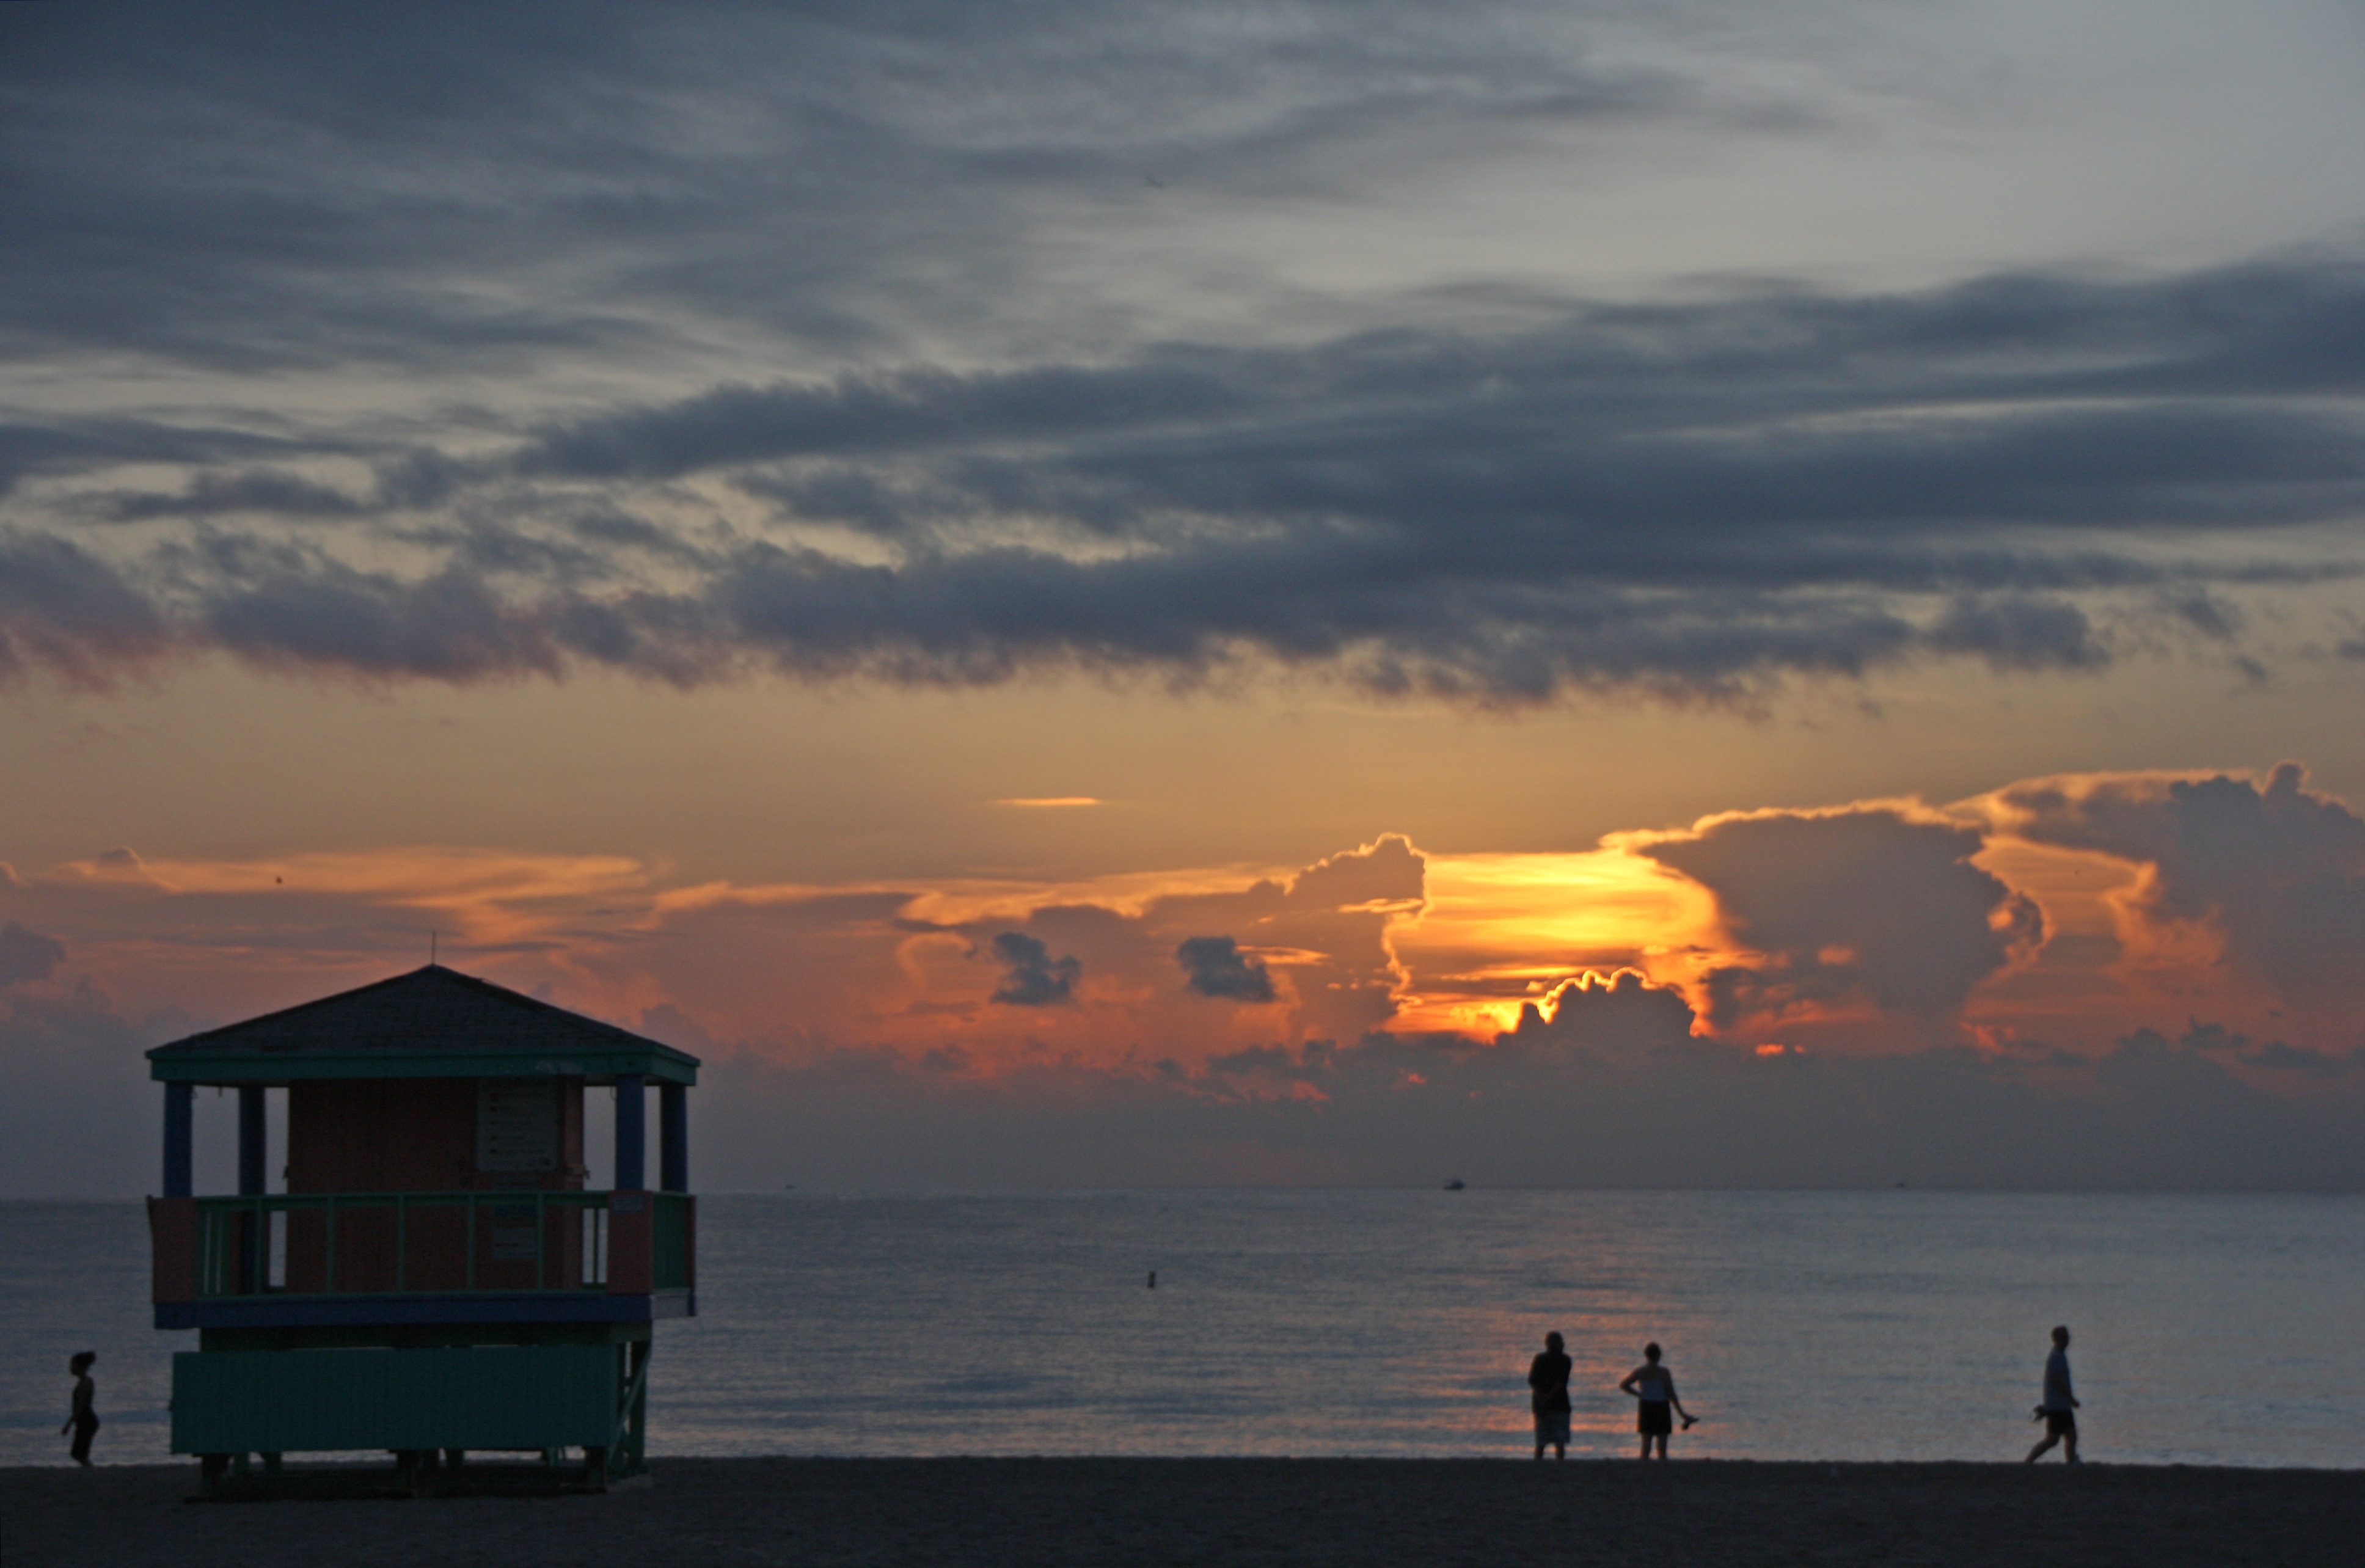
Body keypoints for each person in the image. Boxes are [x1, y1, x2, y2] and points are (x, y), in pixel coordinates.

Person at [1618, 1342, 1695, 1459]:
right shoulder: (1664, 1372)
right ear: (1659, 1355)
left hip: (1646, 1406)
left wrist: (1639, 1394)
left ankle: (1644, 1470)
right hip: (1661, 1406)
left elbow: (1624, 1385)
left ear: (1646, 1355)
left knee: (1646, 1445)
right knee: (1662, 1447)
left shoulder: (1641, 1371)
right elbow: (1671, 1393)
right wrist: (1681, 1414)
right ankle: (1662, 1471)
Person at [2025, 1324, 2080, 1464]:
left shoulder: (2060, 1355)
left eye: (2067, 1337)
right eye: (2062, 1337)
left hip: (2060, 1405)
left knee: (2064, 1437)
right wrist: (2071, 1398)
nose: (2066, 1340)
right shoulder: (2056, 1356)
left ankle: (2071, 1461)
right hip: (2058, 1406)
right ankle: (2029, 1461)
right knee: (2057, 1438)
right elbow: (2058, 1380)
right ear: (2055, 1339)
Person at [1527, 1332, 1573, 1460]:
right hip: (1559, 1405)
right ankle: (1559, 1464)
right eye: (1560, 1342)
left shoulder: (1540, 1359)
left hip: (1543, 1404)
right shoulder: (1564, 1360)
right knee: (1559, 1441)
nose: (1563, 1345)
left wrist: (1542, 1396)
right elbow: (1561, 1382)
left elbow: (1532, 1380)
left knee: (1542, 1441)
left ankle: (1539, 1464)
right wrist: (1548, 1396)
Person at [61, 1351, 98, 1467]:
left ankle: (90, 1471)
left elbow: (80, 1407)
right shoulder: (85, 1382)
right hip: (85, 1421)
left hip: (87, 1421)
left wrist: (68, 1424)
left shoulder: (85, 1383)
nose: (71, 1368)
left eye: (73, 1365)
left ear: (79, 1366)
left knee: (79, 1454)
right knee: (79, 1453)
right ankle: (89, 1470)